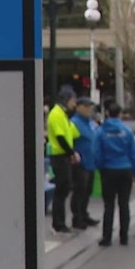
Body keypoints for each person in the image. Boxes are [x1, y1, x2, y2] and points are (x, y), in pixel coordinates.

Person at [92, 100, 135, 247]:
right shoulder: (127, 131)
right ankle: (124, 236)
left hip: (108, 170)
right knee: (124, 204)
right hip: (125, 169)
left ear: (107, 113)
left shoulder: (100, 132)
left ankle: (106, 237)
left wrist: (100, 167)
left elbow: (96, 152)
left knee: (109, 205)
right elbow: (133, 153)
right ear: (120, 114)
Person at [46, 88, 80, 233]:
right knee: (61, 190)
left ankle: (60, 222)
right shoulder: (56, 114)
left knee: (64, 189)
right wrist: (71, 153)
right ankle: (58, 223)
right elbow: (60, 137)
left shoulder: (63, 115)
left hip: (63, 155)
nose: (75, 103)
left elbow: (73, 133)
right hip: (60, 156)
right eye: (73, 100)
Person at [70, 97, 100, 230]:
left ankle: (84, 213)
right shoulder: (74, 123)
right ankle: (77, 217)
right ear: (79, 107)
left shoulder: (91, 123)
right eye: (86, 106)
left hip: (91, 161)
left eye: (90, 106)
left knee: (87, 190)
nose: (89, 109)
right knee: (79, 190)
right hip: (80, 162)